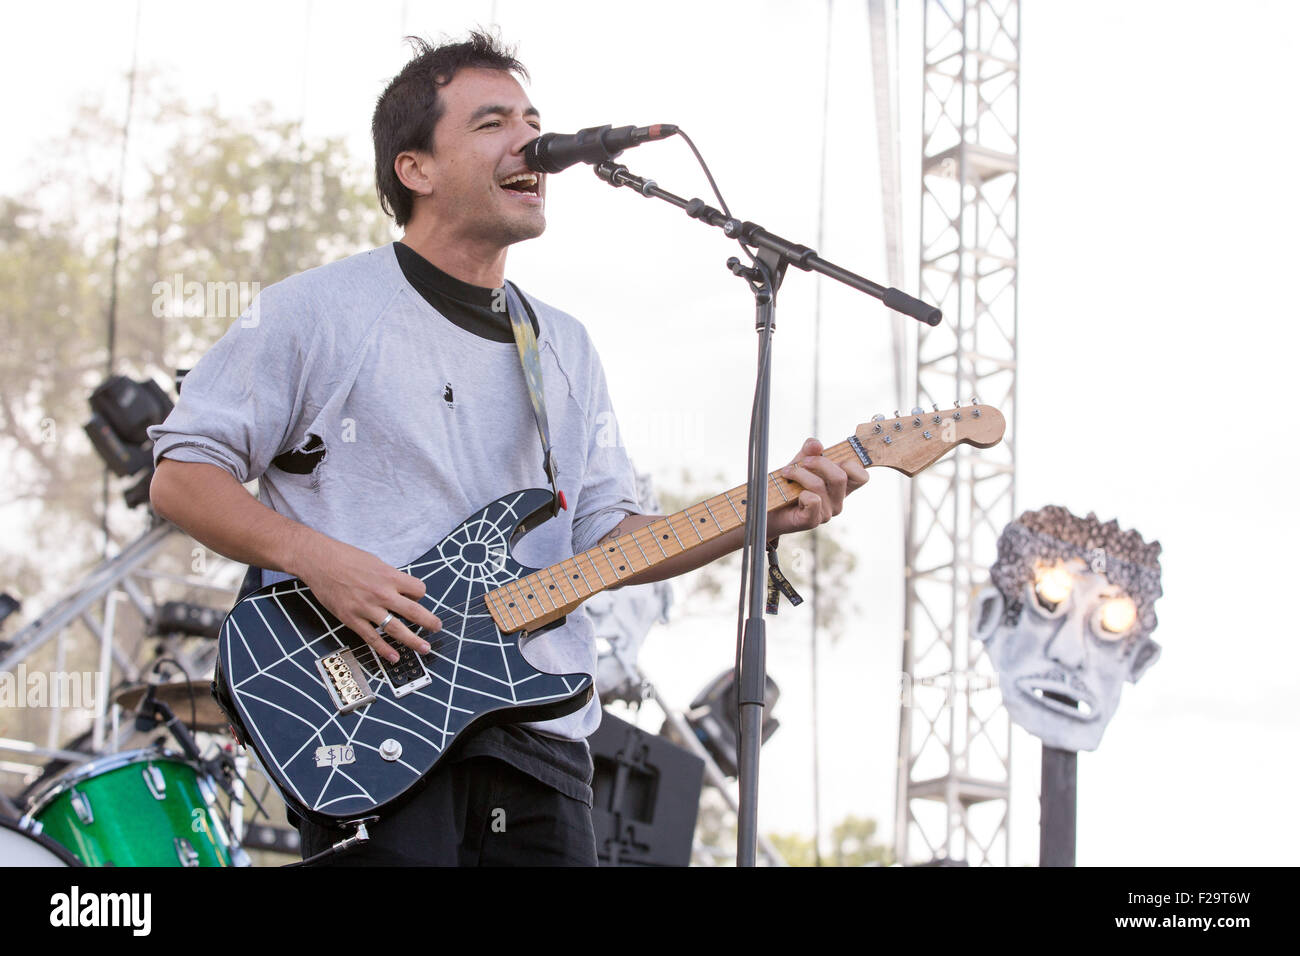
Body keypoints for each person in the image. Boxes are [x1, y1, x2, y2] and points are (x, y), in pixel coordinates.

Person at [147, 31, 868, 865]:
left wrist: (763, 511)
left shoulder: (563, 345)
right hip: (374, 723)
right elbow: (183, 475)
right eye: (492, 123)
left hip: (543, 742)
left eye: (533, 121)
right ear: (415, 169)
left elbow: (608, 540)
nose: (530, 142)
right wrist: (319, 560)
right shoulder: (316, 311)